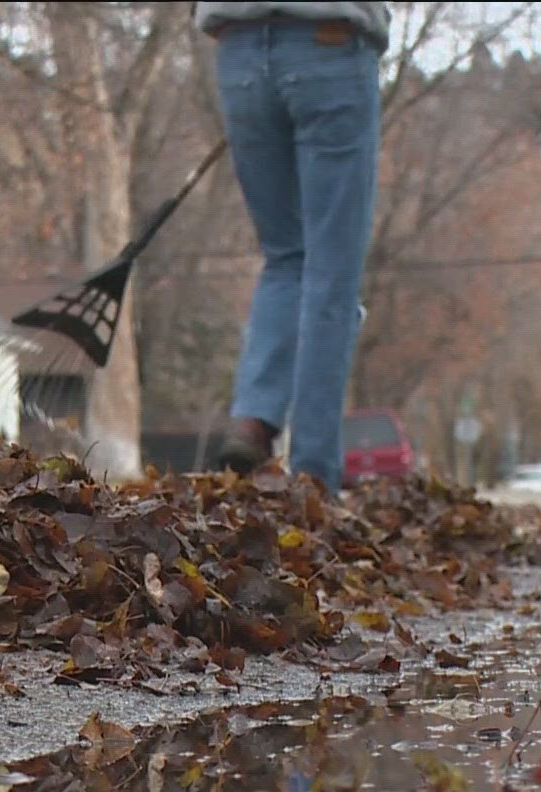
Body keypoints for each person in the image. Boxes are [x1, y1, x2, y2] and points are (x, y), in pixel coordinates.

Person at [195, 1, 387, 496]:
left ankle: (253, 421)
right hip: (329, 42)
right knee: (332, 273)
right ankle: (313, 474)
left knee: (285, 256)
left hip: (239, 51)